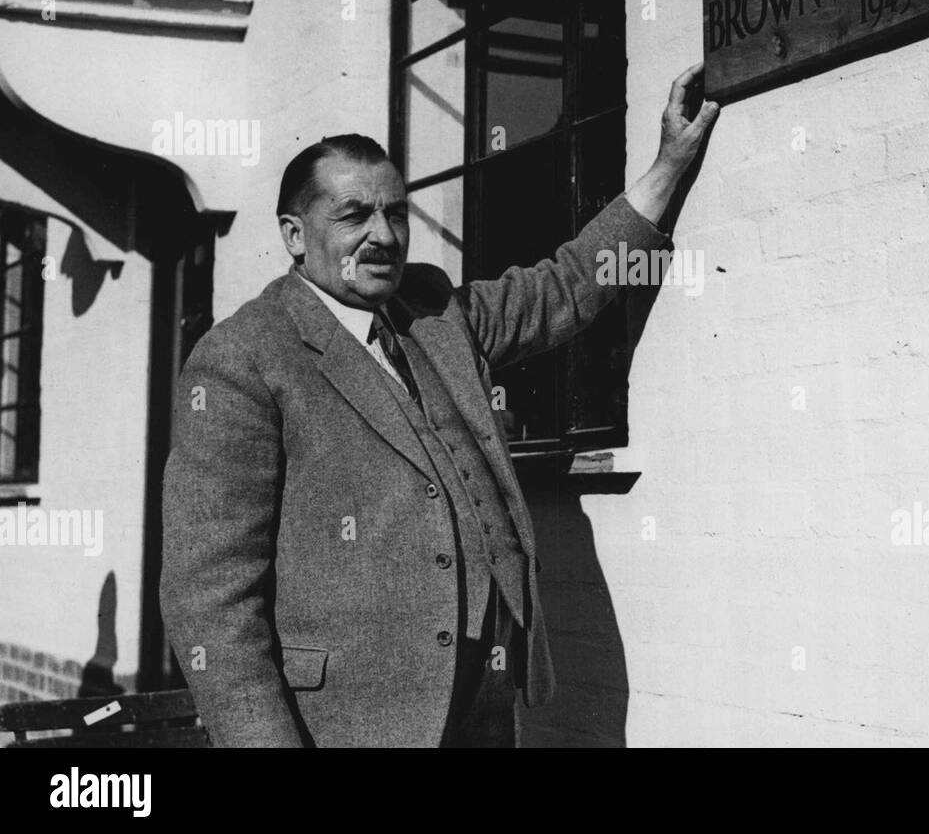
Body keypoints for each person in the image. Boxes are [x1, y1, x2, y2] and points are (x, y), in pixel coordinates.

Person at [159, 63, 721, 747]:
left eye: (396, 213)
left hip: (485, 695)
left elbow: (564, 288)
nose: (385, 235)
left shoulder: (432, 310)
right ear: (294, 234)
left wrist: (670, 165)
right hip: (353, 723)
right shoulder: (242, 359)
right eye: (354, 215)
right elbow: (209, 600)